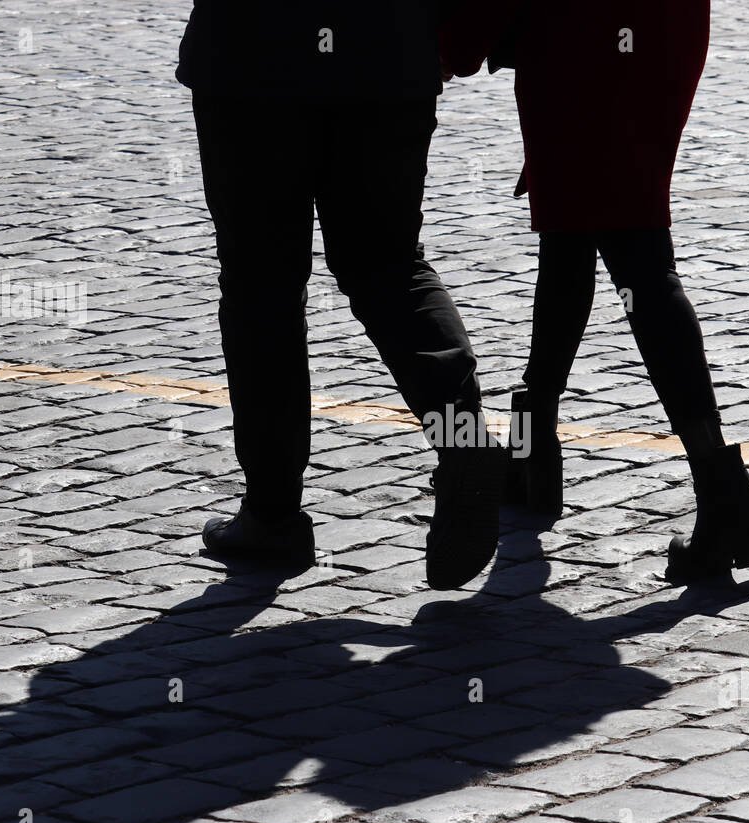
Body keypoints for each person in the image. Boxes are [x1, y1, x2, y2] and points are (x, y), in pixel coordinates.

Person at [440, 0, 749, 579]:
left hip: (585, 36)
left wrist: (457, 39)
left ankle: (723, 495)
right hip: (656, 27)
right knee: (578, 233)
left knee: (636, 255)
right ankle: (532, 449)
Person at [177, 1, 505, 590]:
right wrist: (456, 39)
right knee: (389, 265)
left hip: (254, 57)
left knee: (261, 285)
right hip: (387, 52)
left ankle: (273, 511)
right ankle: (462, 434)